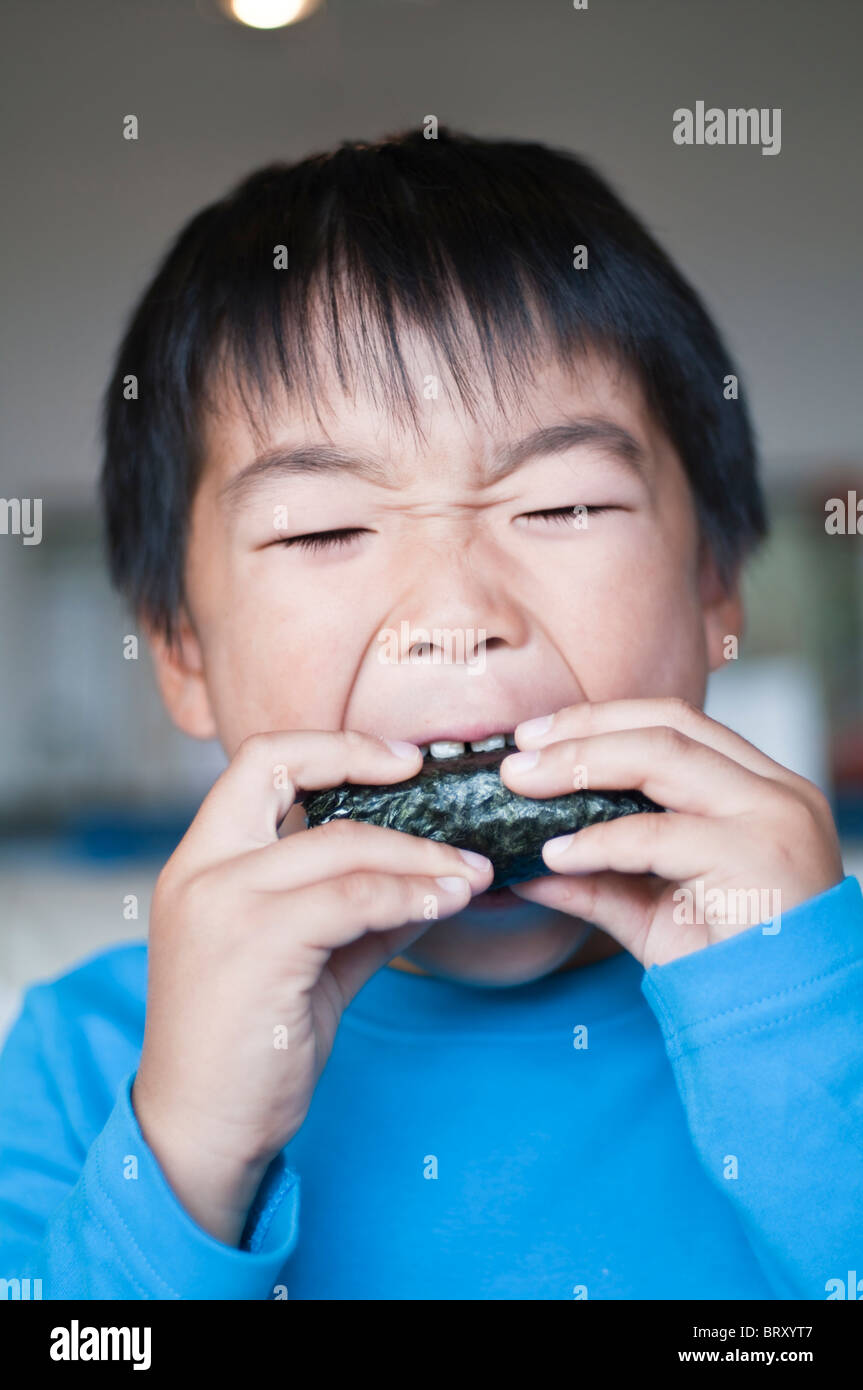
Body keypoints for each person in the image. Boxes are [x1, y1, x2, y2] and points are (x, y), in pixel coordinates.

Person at [0, 127, 858, 1300]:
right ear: (184, 649)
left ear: (716, 586)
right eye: (321, 529)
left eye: (562, 506)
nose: (455, 613)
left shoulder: (831, 998)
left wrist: (799, 1024)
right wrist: (189, 1153)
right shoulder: (85, 1058)